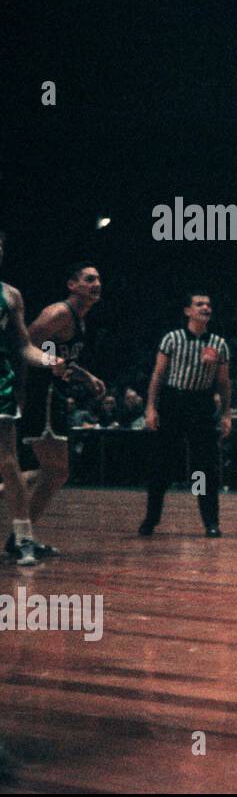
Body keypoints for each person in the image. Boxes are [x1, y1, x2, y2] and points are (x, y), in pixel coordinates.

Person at [7, 261, 105, 558]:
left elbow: (58, 358)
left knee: (55, 472)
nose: (96, 283)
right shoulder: (58, 314)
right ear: (72, 285)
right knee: (55, 470)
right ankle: (19, 535)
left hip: (54, 393)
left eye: (99, 278)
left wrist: (85, 376)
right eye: (89, 279)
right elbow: (24, 348)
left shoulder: (80, 318)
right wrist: (21, 393)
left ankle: (21, 535)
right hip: (41, 394)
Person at [138, 291, 232, 537]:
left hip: (201, 404)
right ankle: (151, 518)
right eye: (199, 304)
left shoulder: (219, 344)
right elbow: (158, 375)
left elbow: (224, 383)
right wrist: (151, 407)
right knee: (162, 464)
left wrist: (226, 414)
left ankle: (210, 521)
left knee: (204, 468)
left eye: (208, 304)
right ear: (187, 311)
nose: (205, 308)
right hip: (173, 401)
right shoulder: (172, 339)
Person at [0, 232, 67, 566]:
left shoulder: (10, 296)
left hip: (0, 387)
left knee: (9, 465)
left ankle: (24, 539)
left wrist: (48, 359)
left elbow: (23, 346)